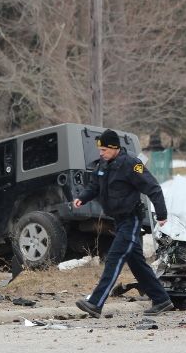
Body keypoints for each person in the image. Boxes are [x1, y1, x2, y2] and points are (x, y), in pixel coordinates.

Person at [73, 129, 173, 317]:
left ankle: (95, 303)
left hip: (131, 219)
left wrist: (161, 214)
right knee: (137, 264)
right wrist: (82, 198)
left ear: (114, 148)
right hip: (118, 221)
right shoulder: (103, 164)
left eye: (104, 150)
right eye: (100, 150)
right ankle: (161, 300)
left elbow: (153, 188)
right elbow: (94, 186)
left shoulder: (131, 164)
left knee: (114, 258)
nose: (101, 153)